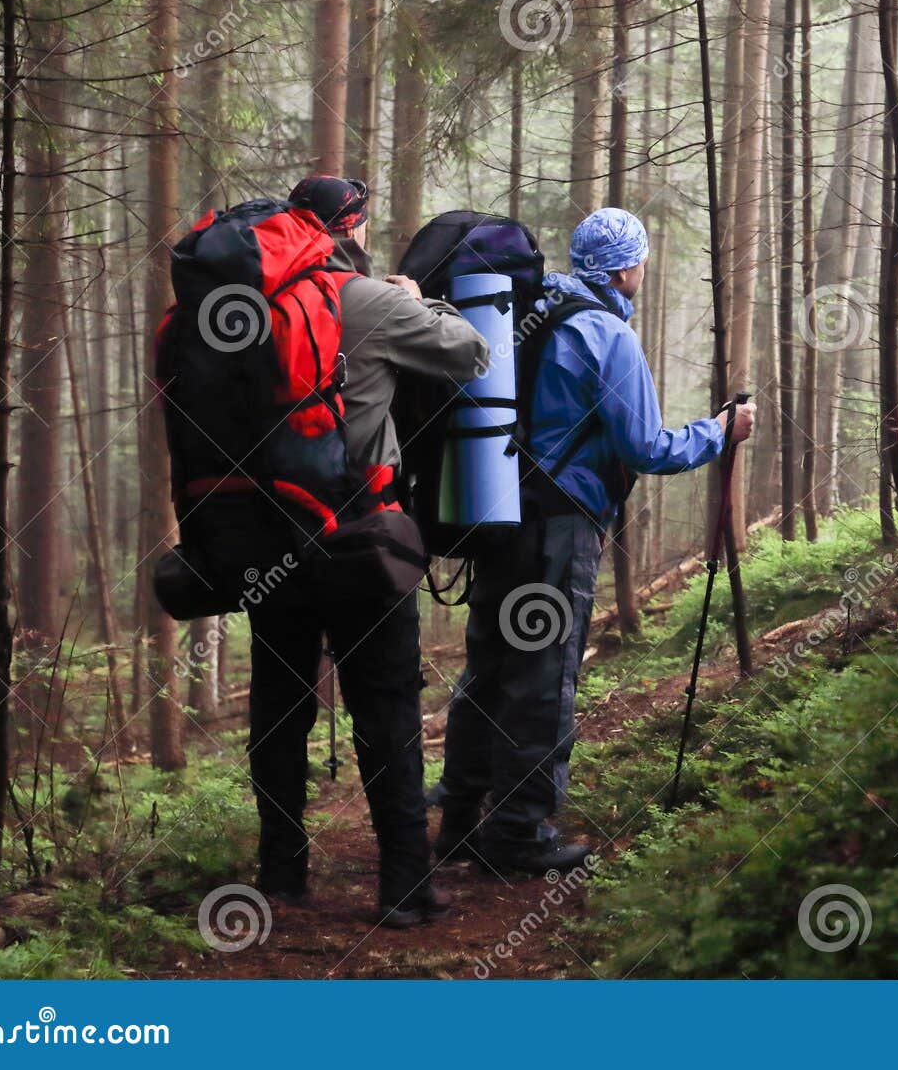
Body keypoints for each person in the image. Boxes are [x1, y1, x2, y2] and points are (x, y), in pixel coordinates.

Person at [436, 207, 757, 875]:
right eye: (638, 260)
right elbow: (647, 445)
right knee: (543, 674)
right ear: (625, 268)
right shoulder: (603, 333)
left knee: (490, 667)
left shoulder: (531, 308)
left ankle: (460, 821)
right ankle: (518, 833)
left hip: (496, 511)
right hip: (557, 526)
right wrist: (722, 429)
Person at [243, 175, 487, 926]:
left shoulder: (237, 308)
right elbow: (471, 353)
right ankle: (404, 885)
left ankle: (282, 874)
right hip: (358, 538)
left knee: (279, 706)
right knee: (385, 707)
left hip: (264, 536)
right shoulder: (371, 302)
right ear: (351, 232)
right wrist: (415, 299)